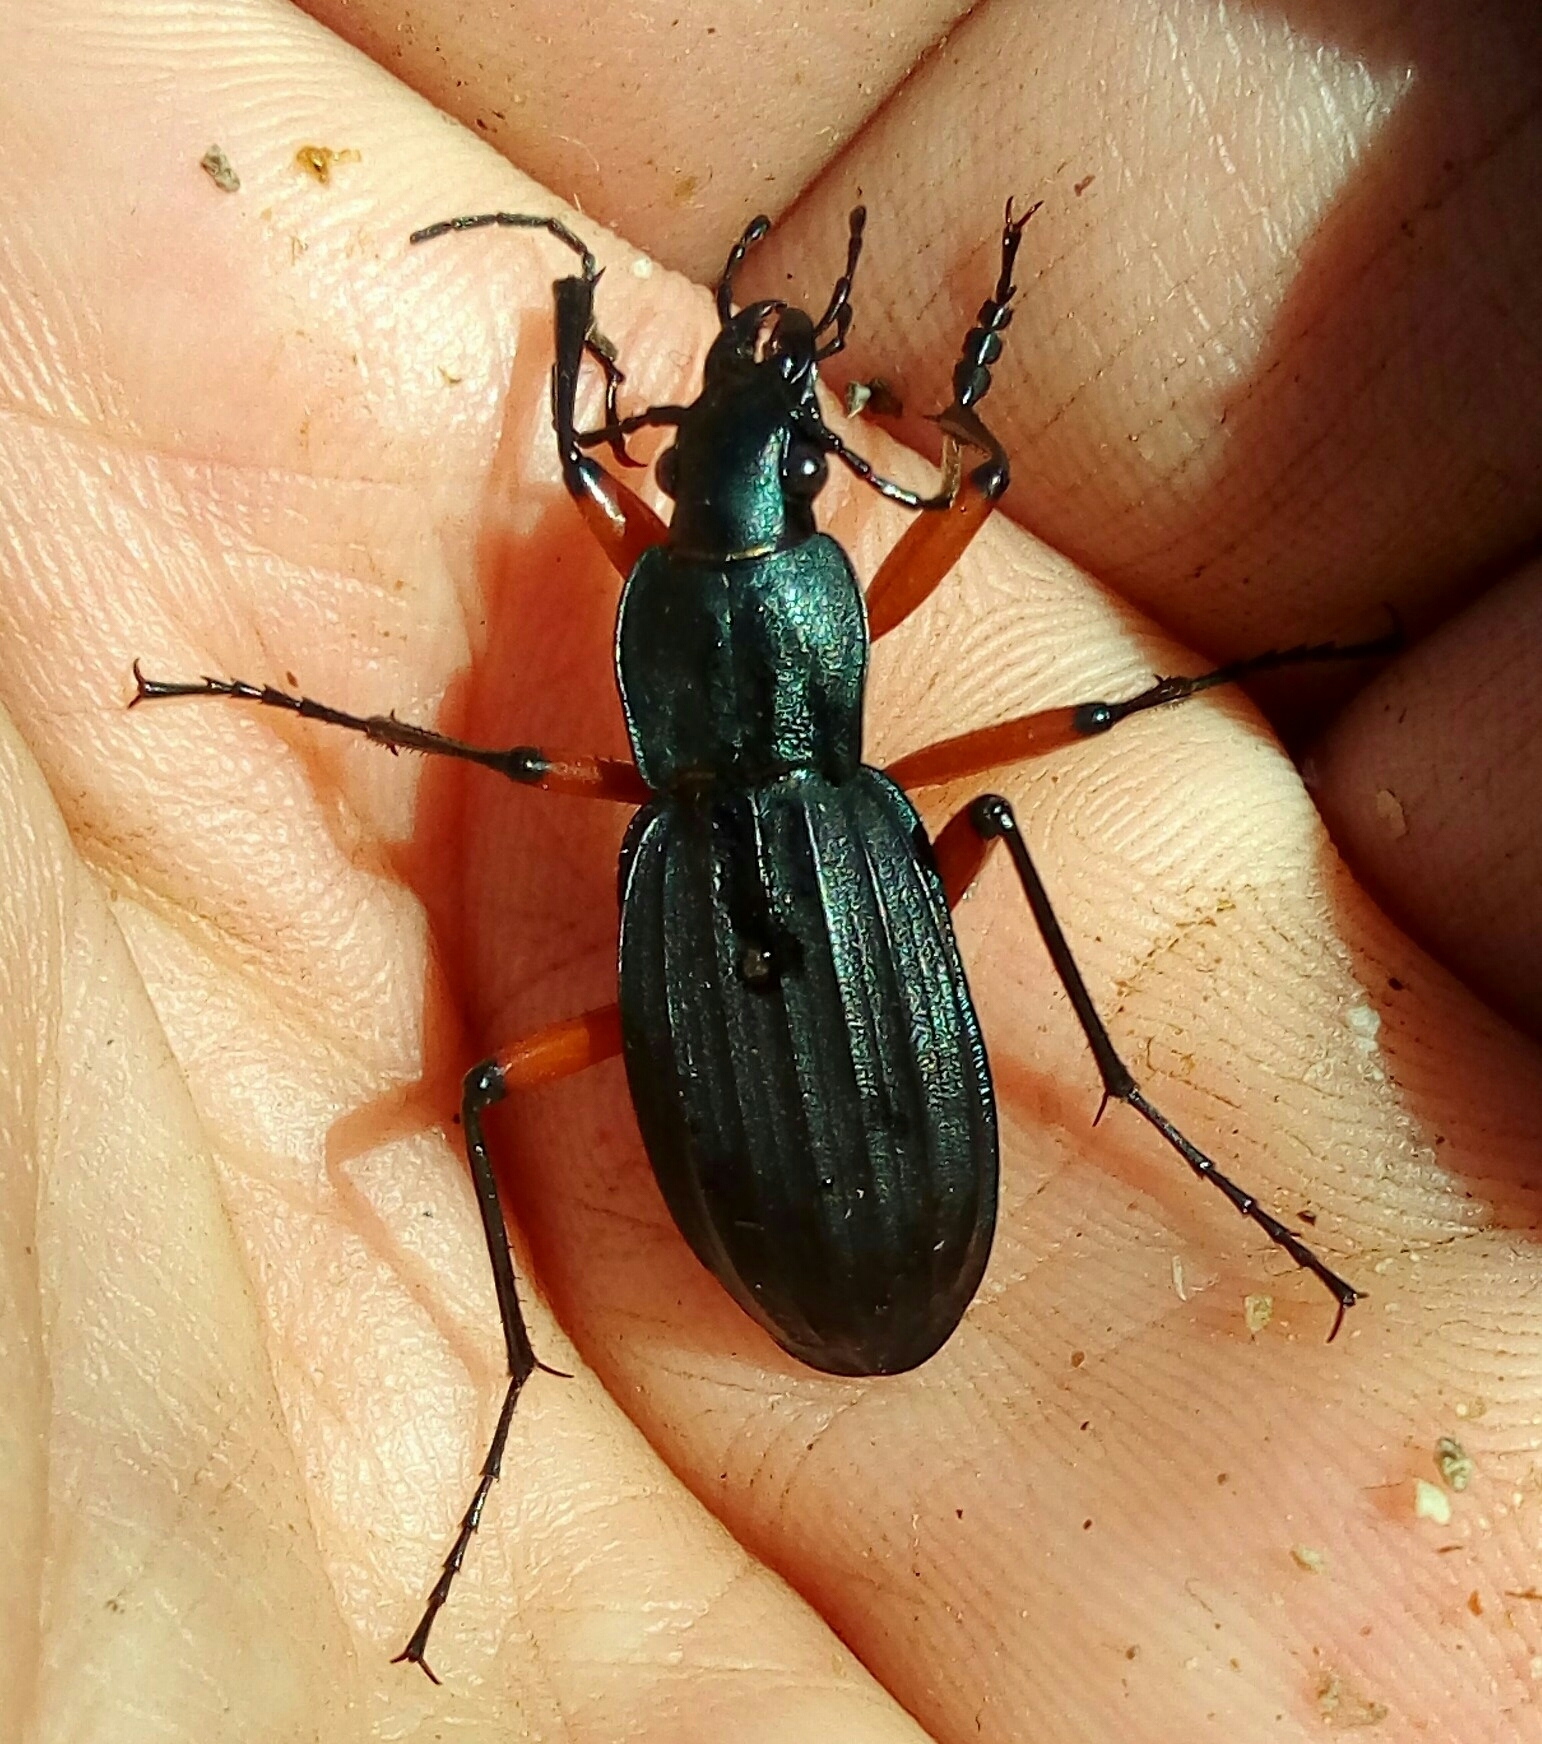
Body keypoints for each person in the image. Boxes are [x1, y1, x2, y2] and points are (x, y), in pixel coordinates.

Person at [2, 0, 1537, 1733]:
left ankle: (542, 1371)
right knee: (996, 813)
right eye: (793, 471)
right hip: (846, 1093)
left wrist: (322, 671)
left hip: (817, 1100)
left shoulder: (642, 728)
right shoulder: (807, 725)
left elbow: (585, 510)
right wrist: (950, 426)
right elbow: (944, 486)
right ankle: (530, 1377)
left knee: (506, 1081)